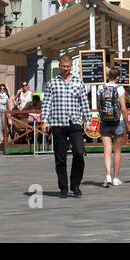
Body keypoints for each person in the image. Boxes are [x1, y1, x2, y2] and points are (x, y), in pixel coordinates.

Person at [41, 55, 89, 197]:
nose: (66, 69)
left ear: (71, 66)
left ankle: (75, 184)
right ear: (60, 66)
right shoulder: (52, 83)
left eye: (68, 67)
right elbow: (47, 103)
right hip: (58, 122)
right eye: (63, 66)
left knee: (79, 153)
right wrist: (45, 120)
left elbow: (84, 102)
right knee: (60, 158)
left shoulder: (78, 83)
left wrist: (88, 119)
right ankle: (63, 187)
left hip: (74, 122)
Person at [96, 67, 127, 186]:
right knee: (117, 150)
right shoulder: (120, 89)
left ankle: (108, 175)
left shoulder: (100, 88)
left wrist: (102, 116)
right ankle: (116, 177)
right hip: (117, 121)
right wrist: (127, 124)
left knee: (107, 150)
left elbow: (99, 105)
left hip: (104, 121)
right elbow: (123, 108)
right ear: (118, 77)